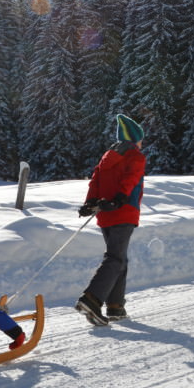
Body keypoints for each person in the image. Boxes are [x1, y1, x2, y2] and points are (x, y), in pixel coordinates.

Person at [75, 113, 146, 326]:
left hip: (106, 214)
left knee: (120, 258)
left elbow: (95, 180)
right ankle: (92, 299)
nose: (142, 143)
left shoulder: (108, 156)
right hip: (123, 211)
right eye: (140, 138)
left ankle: (115, 306)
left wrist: (91, 203)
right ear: (134, 138)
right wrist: (120, 198)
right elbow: (131, 179)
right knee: (115, 258)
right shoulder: (135, 156)